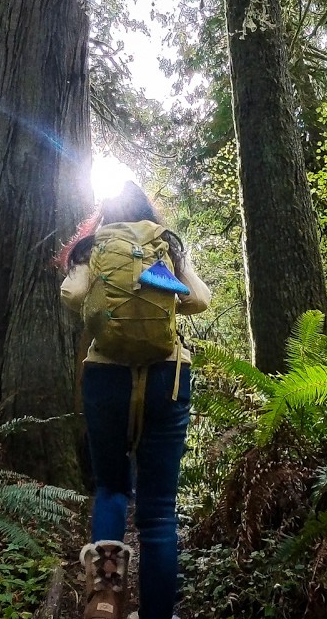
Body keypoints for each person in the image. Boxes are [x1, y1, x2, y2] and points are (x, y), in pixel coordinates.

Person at [58, 182, 211, 619]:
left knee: (110, 489)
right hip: (167, 376)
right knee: (159, 510)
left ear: (106, 213)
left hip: (106, 375)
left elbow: (71, 295)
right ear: (148, 210)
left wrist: (102, 308)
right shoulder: (166, 246)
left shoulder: (93, 246)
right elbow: (200, 299)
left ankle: (105, 605)